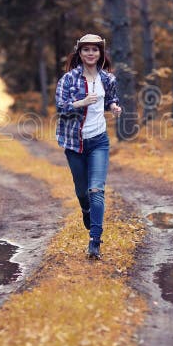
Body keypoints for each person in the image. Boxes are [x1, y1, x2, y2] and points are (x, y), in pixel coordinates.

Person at [55, 33, 123, 260]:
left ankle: (95, 242)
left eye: (95, 49)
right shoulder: (68, 79)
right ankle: (85, 209)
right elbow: (61, 107)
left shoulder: (108, 79)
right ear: (80, 53)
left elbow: (111, 98)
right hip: (74, 143)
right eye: (86, 49)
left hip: (99, 142)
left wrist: (114, 107)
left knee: (96, 190)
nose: (91, 53)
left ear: (100, 53)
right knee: (82, 191)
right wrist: (81, 102)